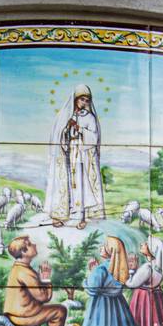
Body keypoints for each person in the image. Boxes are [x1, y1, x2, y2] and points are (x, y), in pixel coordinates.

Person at [74, 236, 151, 326]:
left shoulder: (101, 269)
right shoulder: (120, 268)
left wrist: (91, 273)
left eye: (104, 247)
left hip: (101, 306)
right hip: (118, 305)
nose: (101, 248)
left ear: (110, 251)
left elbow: (92, 288)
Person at [0, 236, 69, 326]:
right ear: (24, 251)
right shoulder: (25, 272)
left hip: (18, 313)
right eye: (30, 244)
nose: (34, 245)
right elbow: (43, 297)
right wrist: (46, 279)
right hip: (26, 315)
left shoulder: (18, 268)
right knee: (59, 311)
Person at [43, 84, 104, 229]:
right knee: (66, 183)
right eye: (82, 99)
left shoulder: (90, 117)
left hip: (82, 156)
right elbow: (59, 135)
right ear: (75, 99)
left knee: (81, 184)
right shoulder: (66, 116)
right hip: (68, 154)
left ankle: (81, 217)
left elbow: (94, 138)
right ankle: (63, 215)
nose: (84, 103)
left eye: (87, 100)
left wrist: (78, 128)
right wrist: (66, 130)